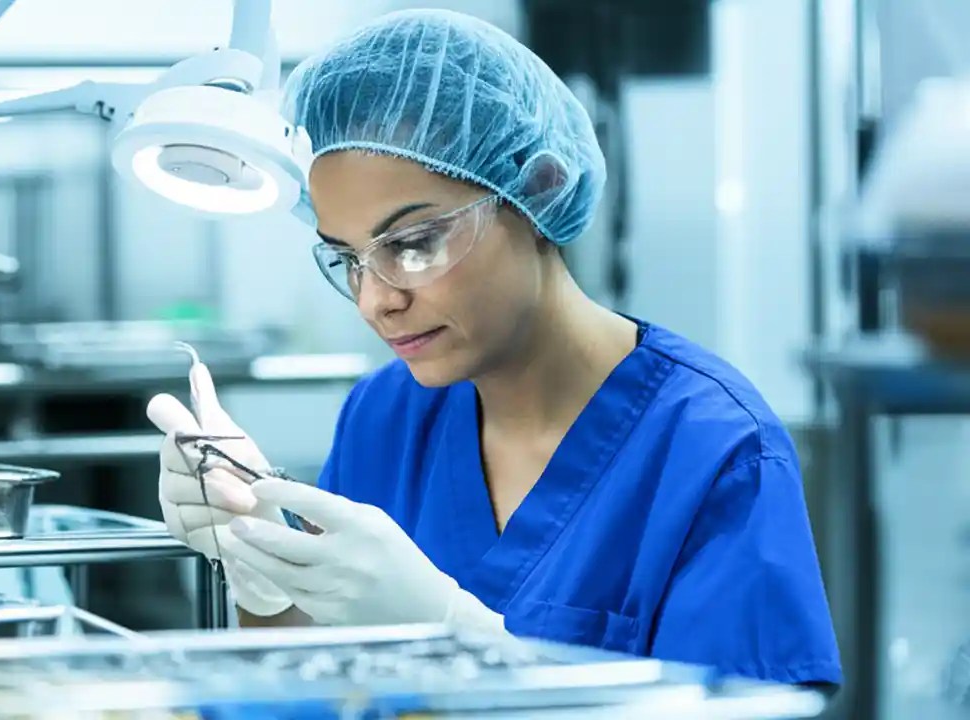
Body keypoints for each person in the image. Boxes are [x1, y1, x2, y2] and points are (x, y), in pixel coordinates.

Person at [147, 8, 842, 687]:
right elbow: (316, 685)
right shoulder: (385, 416)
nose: (375, 300)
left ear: (538, 188)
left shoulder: (713, 451)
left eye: (413, 244)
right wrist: (268, 575)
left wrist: (469, 644)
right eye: (349, 259)